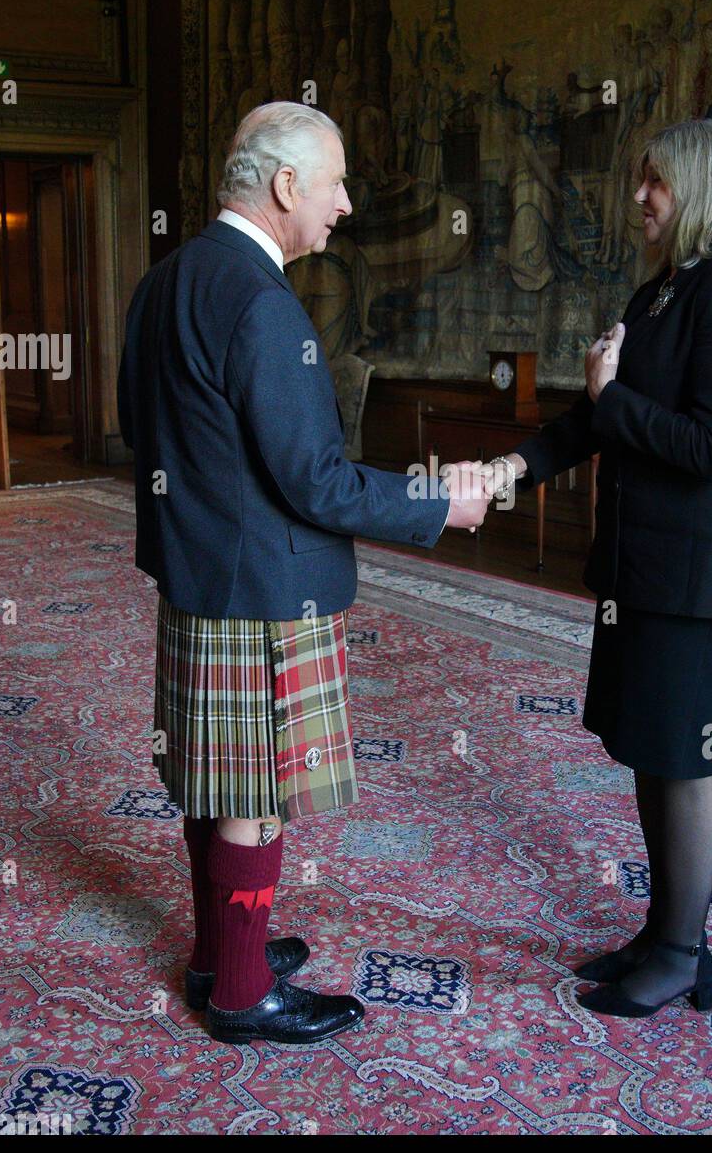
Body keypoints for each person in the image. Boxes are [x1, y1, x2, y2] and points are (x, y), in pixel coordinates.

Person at [117, 102, 490, 1046]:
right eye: (334, 185)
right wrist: (436, 501)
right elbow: (315, 482)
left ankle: (217, 955)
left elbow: (143, 427)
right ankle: (242, 996)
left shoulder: (166, 282)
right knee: (254, 792)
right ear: (286, 187)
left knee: (215, 781)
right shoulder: (261, 301)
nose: (346, 203)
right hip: (266, 592)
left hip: (199, 575)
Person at [483, 118, 712, 1018]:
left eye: (656, 182)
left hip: (691, 577)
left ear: (704, 189)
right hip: (641, 567)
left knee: (686, 762)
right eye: (641, 178)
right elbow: (593, 417)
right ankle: (663, 933)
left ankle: (686, 954)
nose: (640, 197)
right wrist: (513, 470)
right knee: (651, 751)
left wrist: (614, 399)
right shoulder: (664, 292)